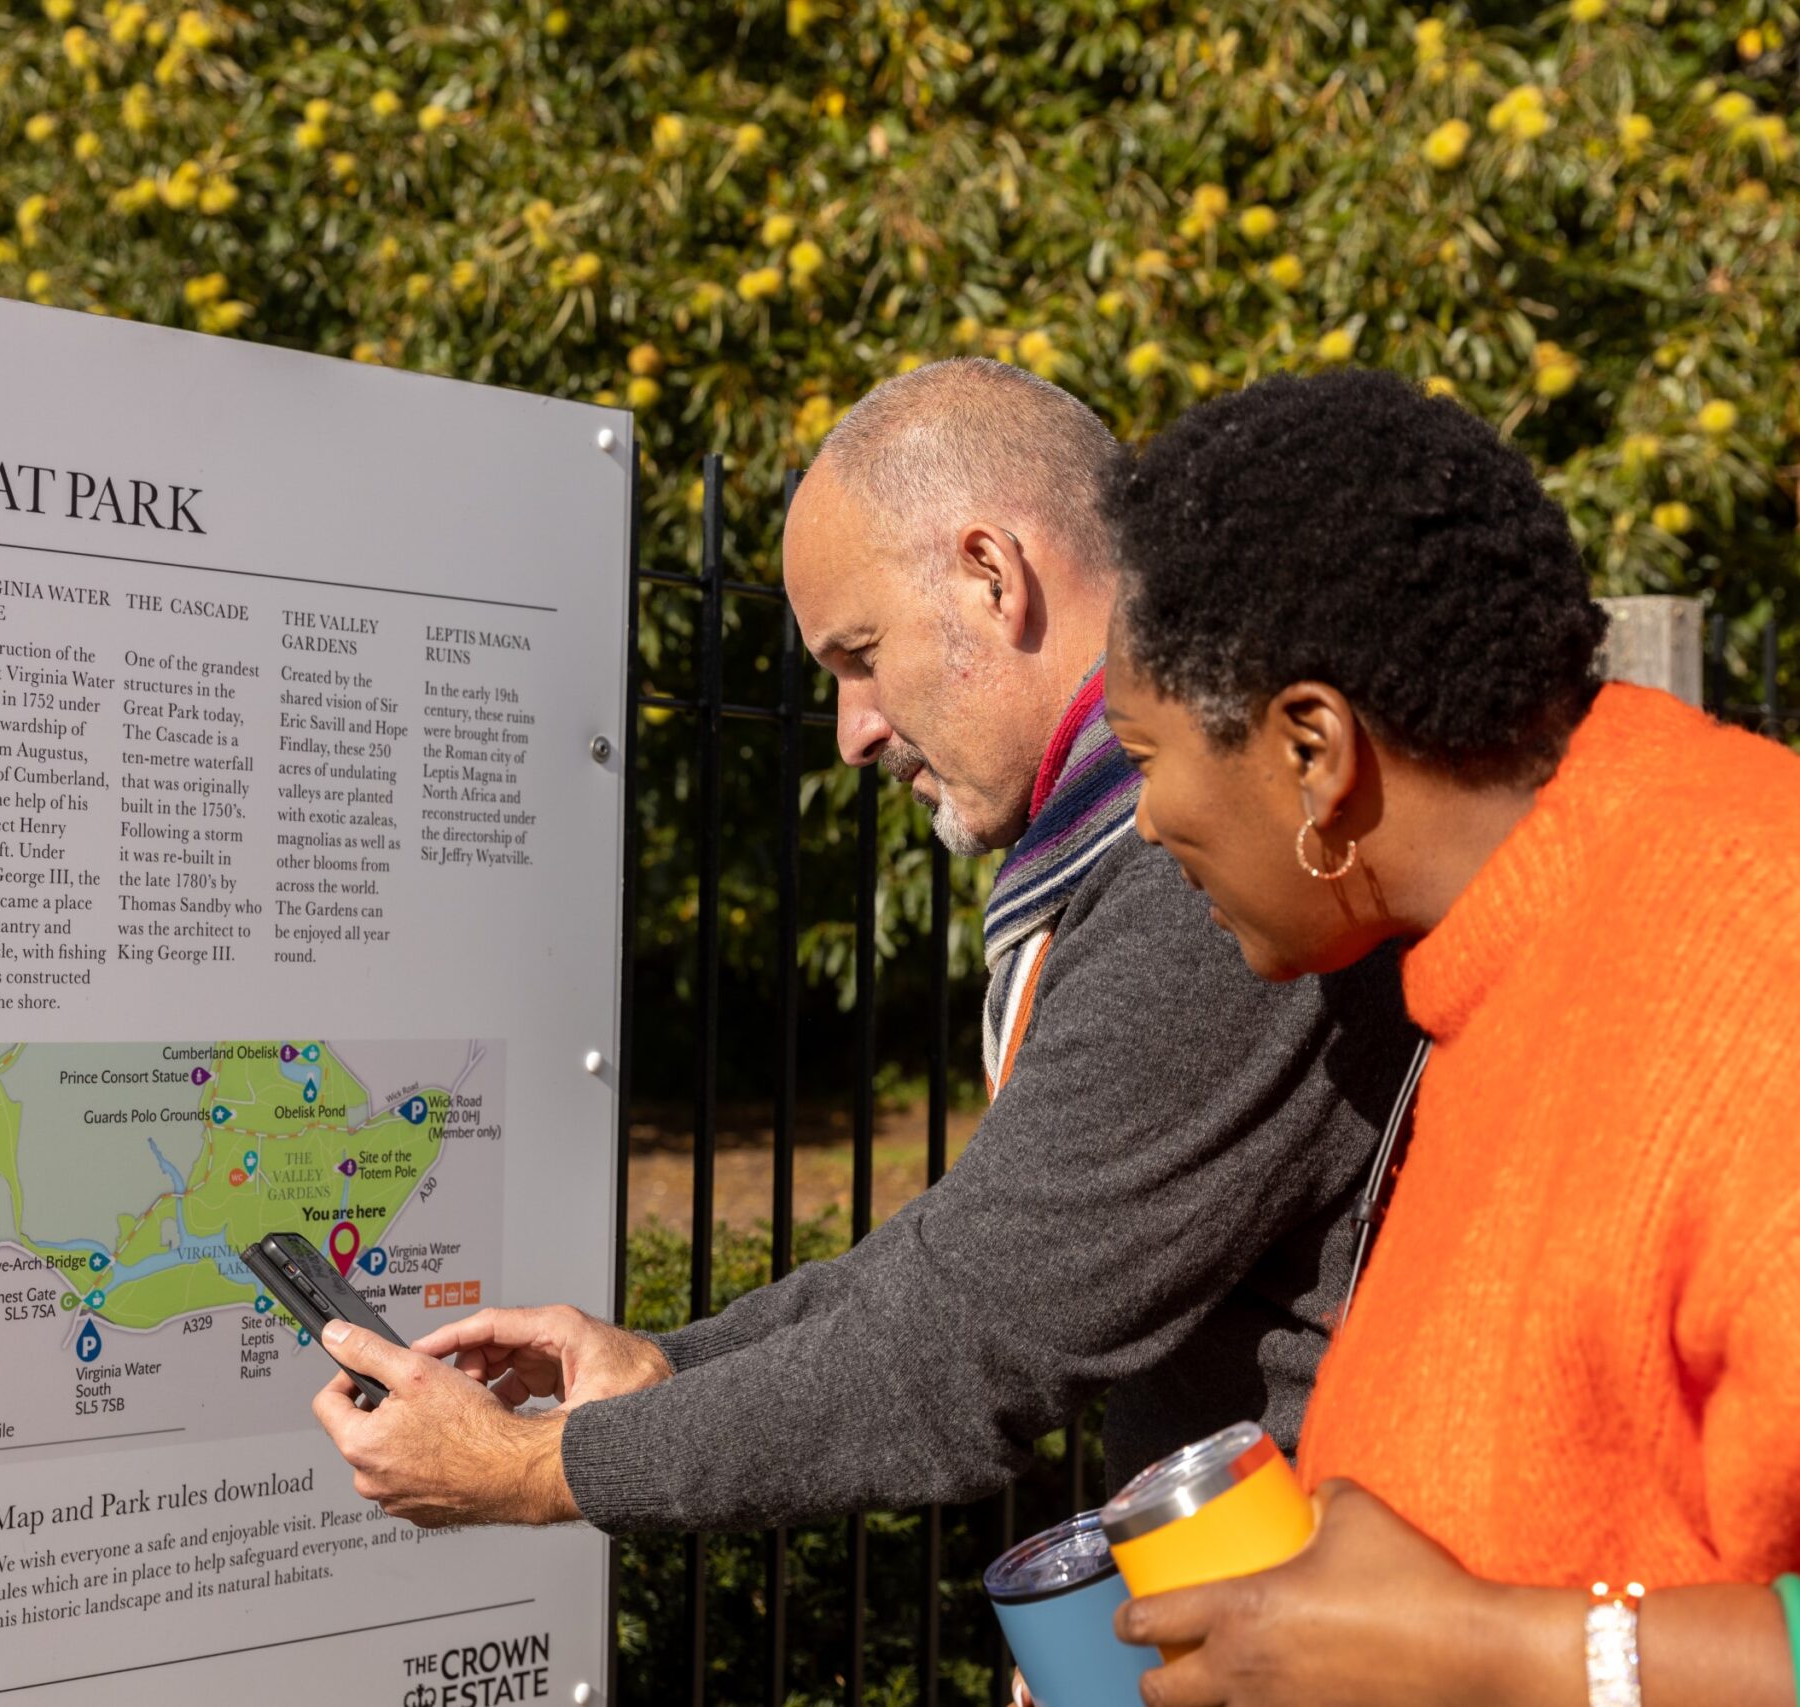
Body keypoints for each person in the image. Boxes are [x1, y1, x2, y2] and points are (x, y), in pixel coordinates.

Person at [306, 358, 1417, 1536]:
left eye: (860, 656)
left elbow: (968, 1344)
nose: (851, 732)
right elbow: (967, 1257)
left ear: (992, 575)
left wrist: (539, 1468)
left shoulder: (1197, 887)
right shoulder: (1132, 854)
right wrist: (669, 1369)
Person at [1094, 368, 1800, 1707]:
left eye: (1142, 754)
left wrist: (1490, 1650)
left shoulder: (1798, 975)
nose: (1144, 819)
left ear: (1312, 749)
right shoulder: (1510, 953)